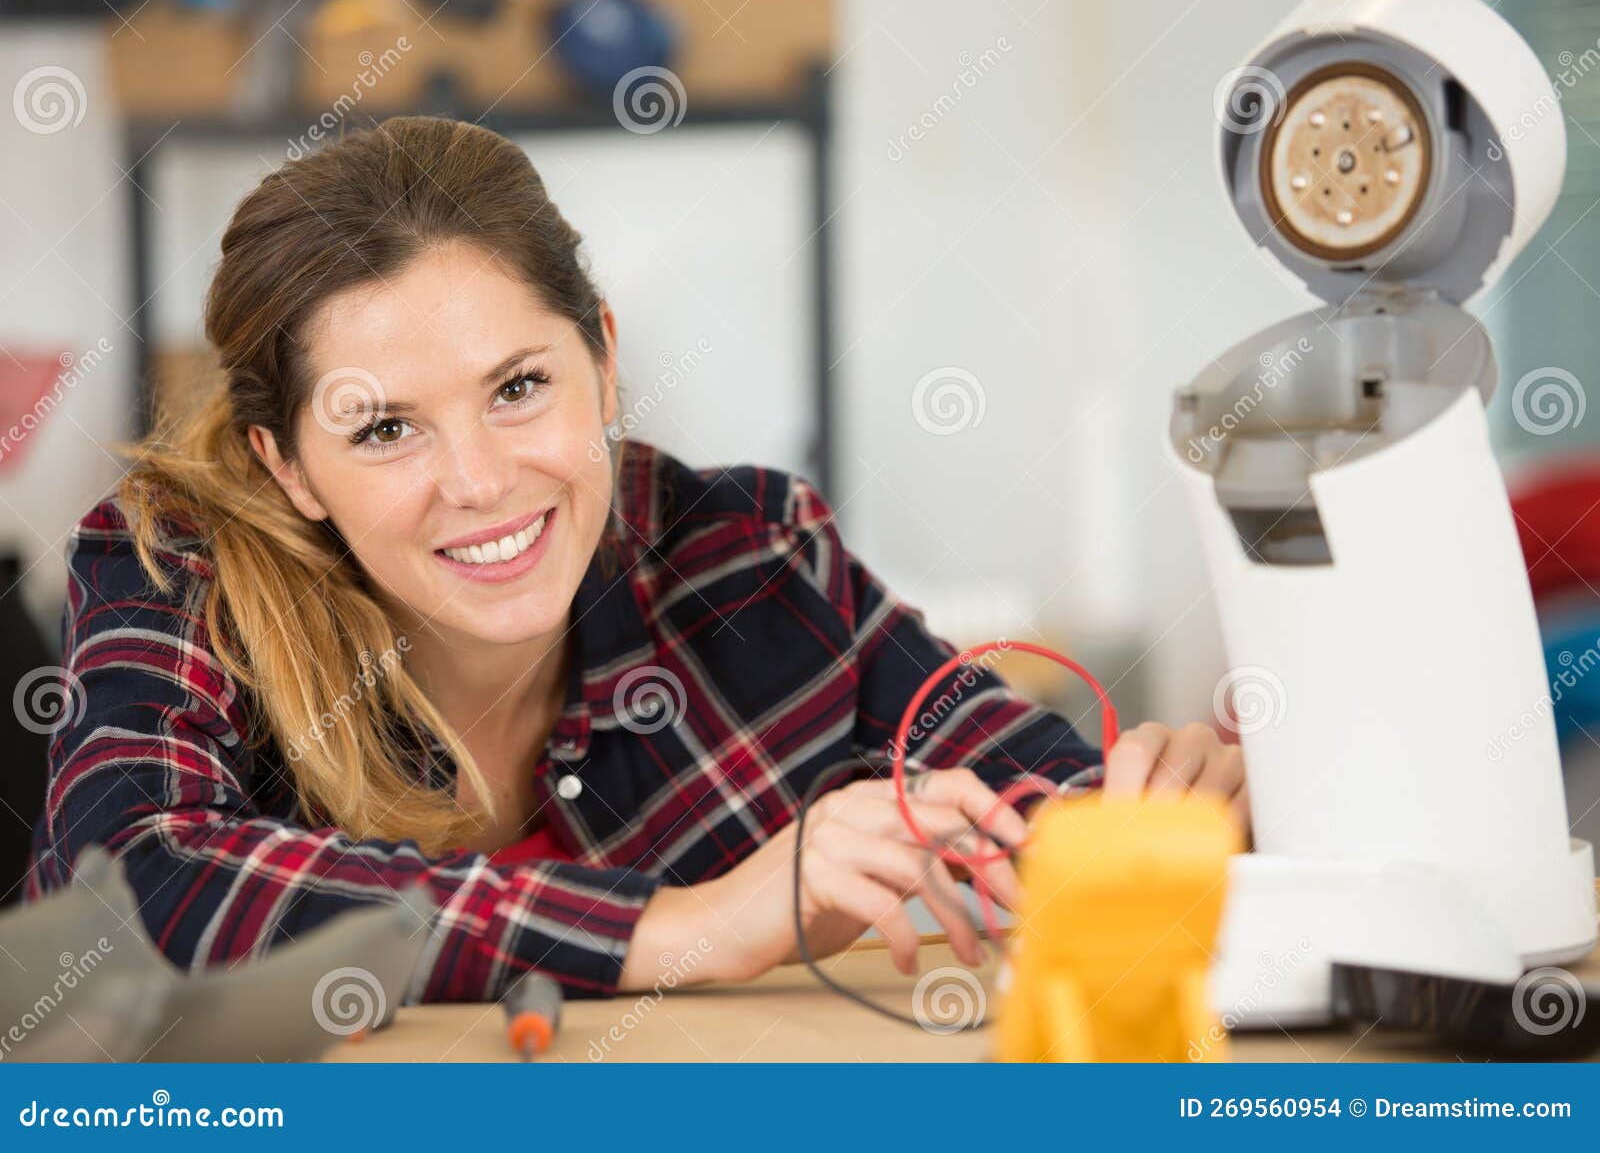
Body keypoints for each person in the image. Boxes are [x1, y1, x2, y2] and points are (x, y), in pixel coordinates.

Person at [26, 116, 1246, 1002]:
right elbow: (130, 888)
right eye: (385, 426)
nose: (481, 480)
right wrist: (689, 928)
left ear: (602, 362)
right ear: (286, 464)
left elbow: (1025, 797)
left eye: (518, 387)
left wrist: (1166, 804)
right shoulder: (172, 572)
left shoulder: (751, 559)